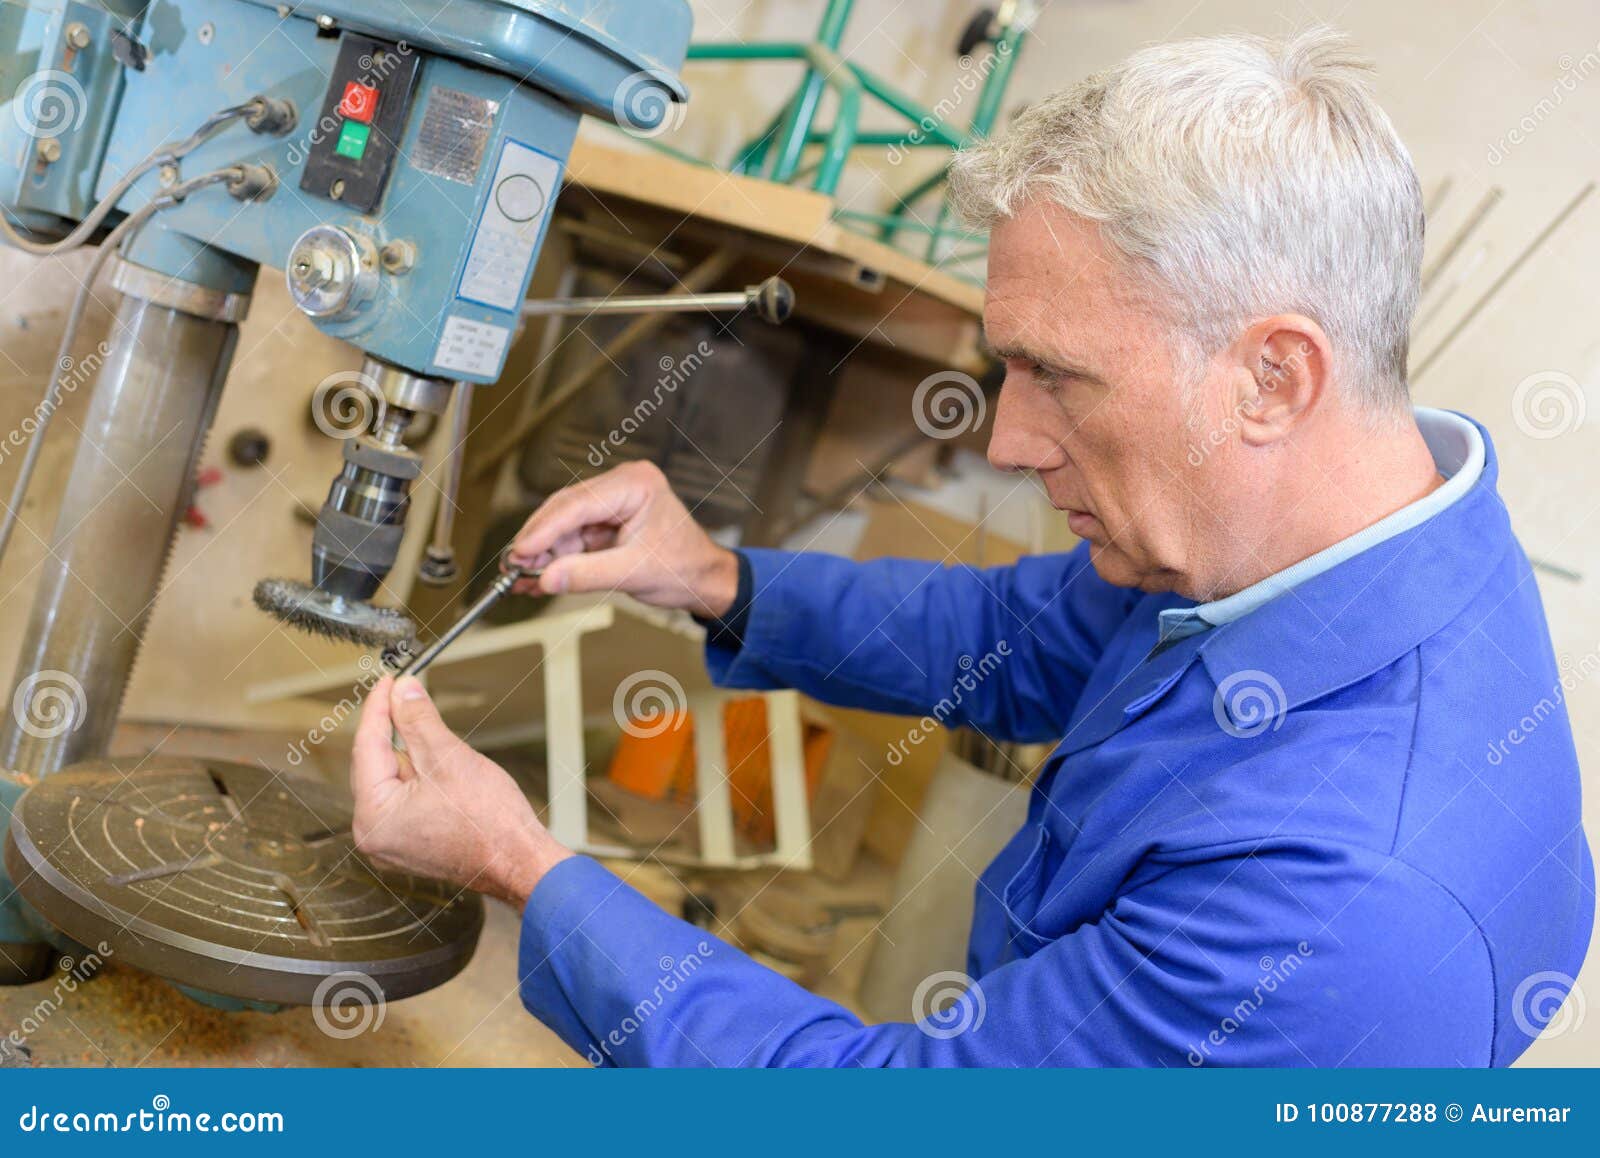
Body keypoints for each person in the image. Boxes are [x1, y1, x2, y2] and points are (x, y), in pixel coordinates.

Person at [351, 27, 1592, 1066]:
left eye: (1056, 375)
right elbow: (1007, 636)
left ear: (1273, 378)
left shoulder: (1336, 915)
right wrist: (712, 576)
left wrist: (523, 866)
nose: (1006, 440)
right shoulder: (1302, 543)